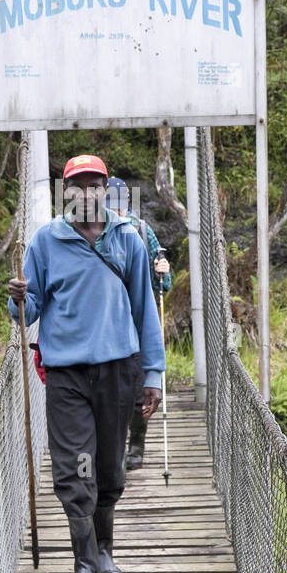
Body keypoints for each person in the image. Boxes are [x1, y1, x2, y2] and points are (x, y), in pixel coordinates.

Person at [7, 154, 165, 573]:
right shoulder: (45, 241)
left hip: (119, 369)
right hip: (66, 373)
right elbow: (29, 309)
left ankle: (106, 547)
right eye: (77, 186)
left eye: (95, 185)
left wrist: (152, 374)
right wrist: (18, 299)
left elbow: (144, 311)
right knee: (75, 464)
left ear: (106, 189)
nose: (87, 193)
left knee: (110, 464)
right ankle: (84, 565)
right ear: (65, 191)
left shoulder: (127, 240)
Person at [105, 176, 171, 471]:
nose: (114, 209)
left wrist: (162, 270)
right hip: (107, 321)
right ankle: (116, 447)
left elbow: (164, 284)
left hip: (139, 320)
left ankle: (137, 446)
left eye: (118, 203)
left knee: (138, 389)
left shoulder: (143, 231)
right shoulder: (95, 231)